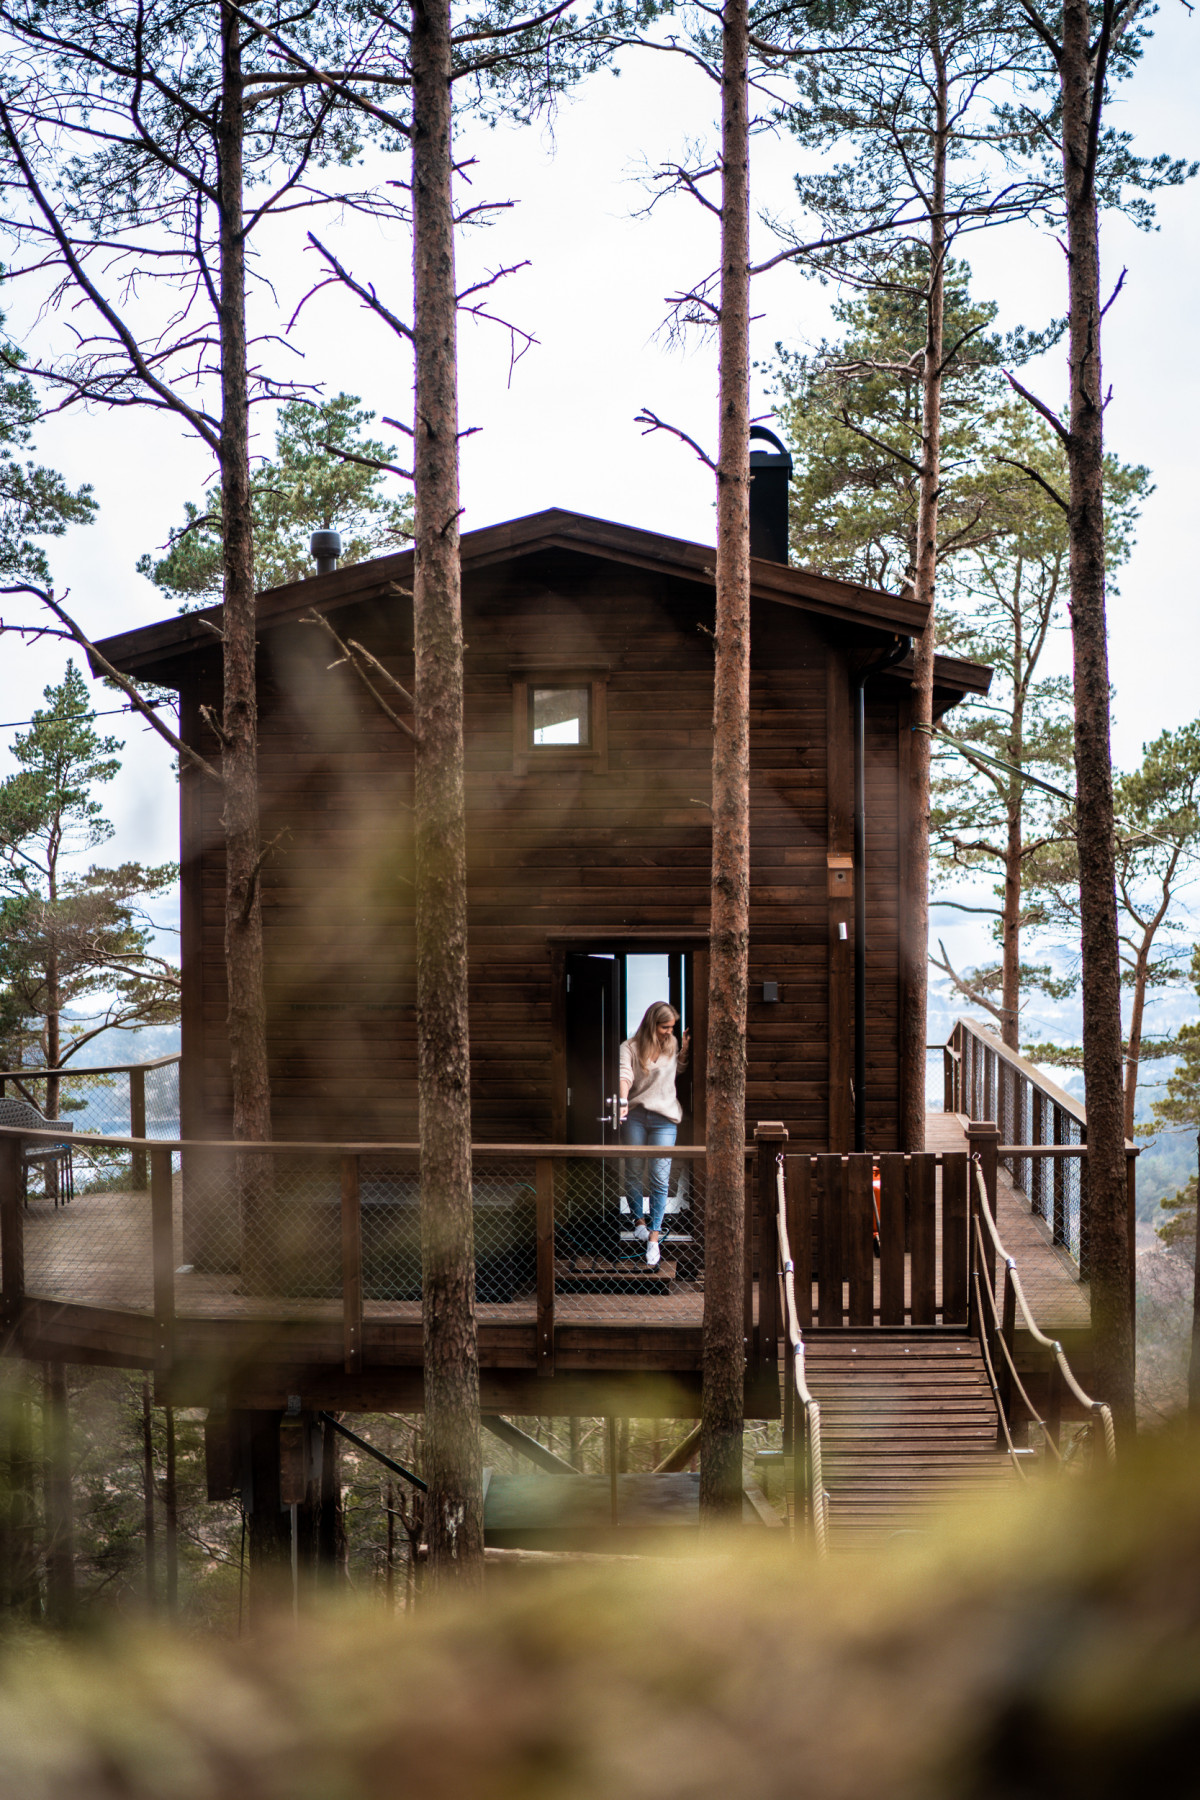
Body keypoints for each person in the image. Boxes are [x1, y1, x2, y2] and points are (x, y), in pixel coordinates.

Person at [619, 1001, 690, 1268]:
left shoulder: (672, 1044)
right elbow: (625, 1075)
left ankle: (654, 1236)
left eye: (672, 1027)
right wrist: (623, 1101)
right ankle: (639, 1221)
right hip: (636, 1116)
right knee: (634, 1170)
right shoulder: (629, 1047)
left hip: (665, 1119)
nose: (669, 1031)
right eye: (665, 1027)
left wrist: (684, 1052)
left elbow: (676, 1071)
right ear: (652, 1024)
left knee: (660, 1176)